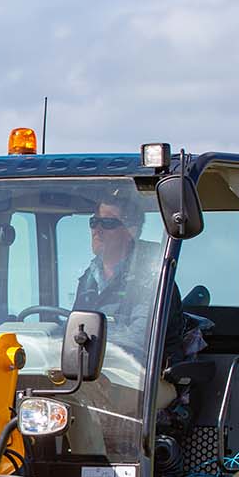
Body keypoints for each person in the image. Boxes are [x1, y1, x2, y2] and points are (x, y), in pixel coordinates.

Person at [64, 188, 188, 456]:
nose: (97, 230)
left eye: (108, 223)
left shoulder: (153, 276)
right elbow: (74, 331)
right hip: (98, 372)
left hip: (149, 377)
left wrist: (92, 341)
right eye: (94, 222)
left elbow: (139, 339)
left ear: (131, 229)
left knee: (79, 400)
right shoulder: (89, 277)